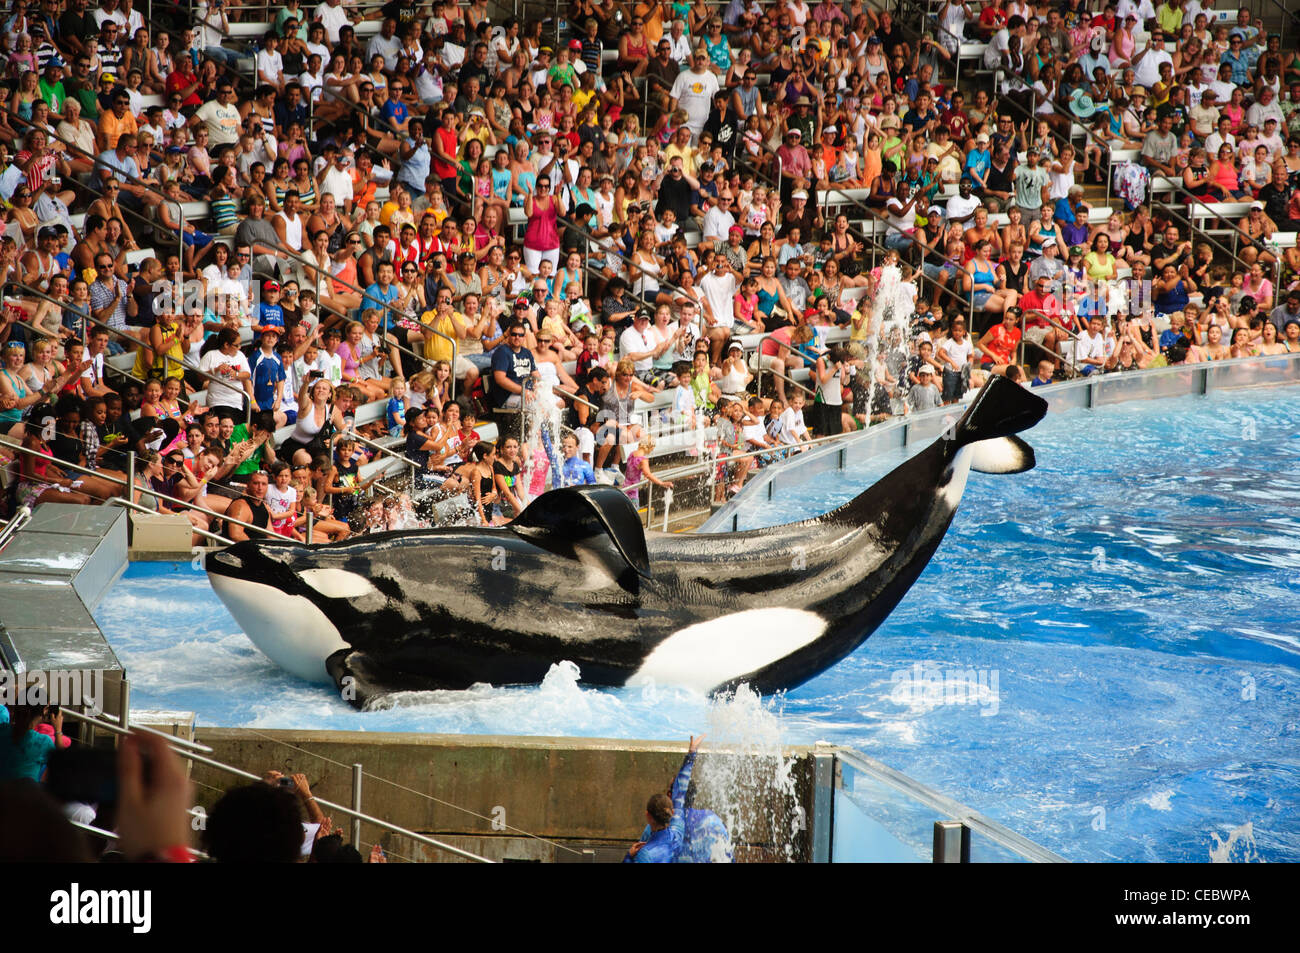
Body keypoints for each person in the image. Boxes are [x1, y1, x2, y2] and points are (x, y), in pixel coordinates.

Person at [624, 735, 703, 863]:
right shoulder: (676, 835)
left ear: (648, 816)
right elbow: (680, 793)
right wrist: (691, 754)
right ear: (672, 813)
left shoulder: (645, 855)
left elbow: (679, 793)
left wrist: (629, 857)